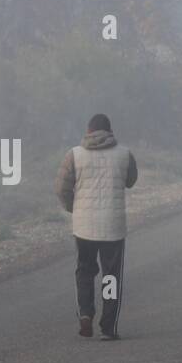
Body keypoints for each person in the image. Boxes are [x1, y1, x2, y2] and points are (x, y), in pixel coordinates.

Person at [54, 113, 139, 340]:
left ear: (88, 130)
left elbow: (61, 188)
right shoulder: (125, 154)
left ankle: (85, 314)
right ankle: (108, 327)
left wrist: (75, 209)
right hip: (113, 227)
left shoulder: (74, 155)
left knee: (85, 271)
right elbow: (130, 181)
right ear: (110, 131)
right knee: (110, 276)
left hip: (84, 227)